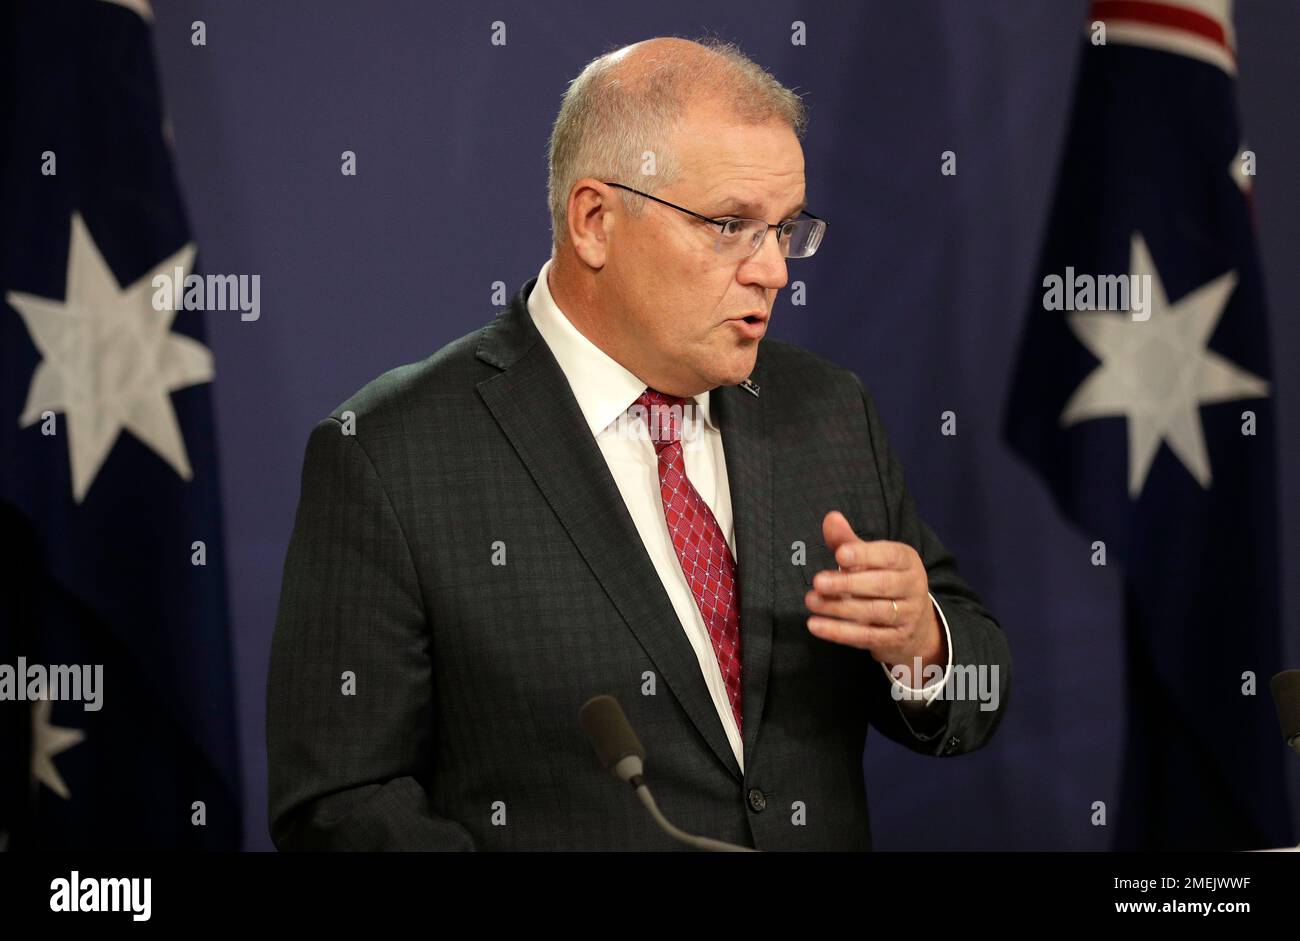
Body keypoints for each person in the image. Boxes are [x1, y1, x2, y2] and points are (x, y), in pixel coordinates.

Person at [267, 36, 1011, 851]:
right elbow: (339, 801)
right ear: (594, 221)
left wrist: (923, 645)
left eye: (786, 230)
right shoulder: (391, 455)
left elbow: (978, 685)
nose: (774, 272)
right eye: (732, 225)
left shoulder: (827, 410)